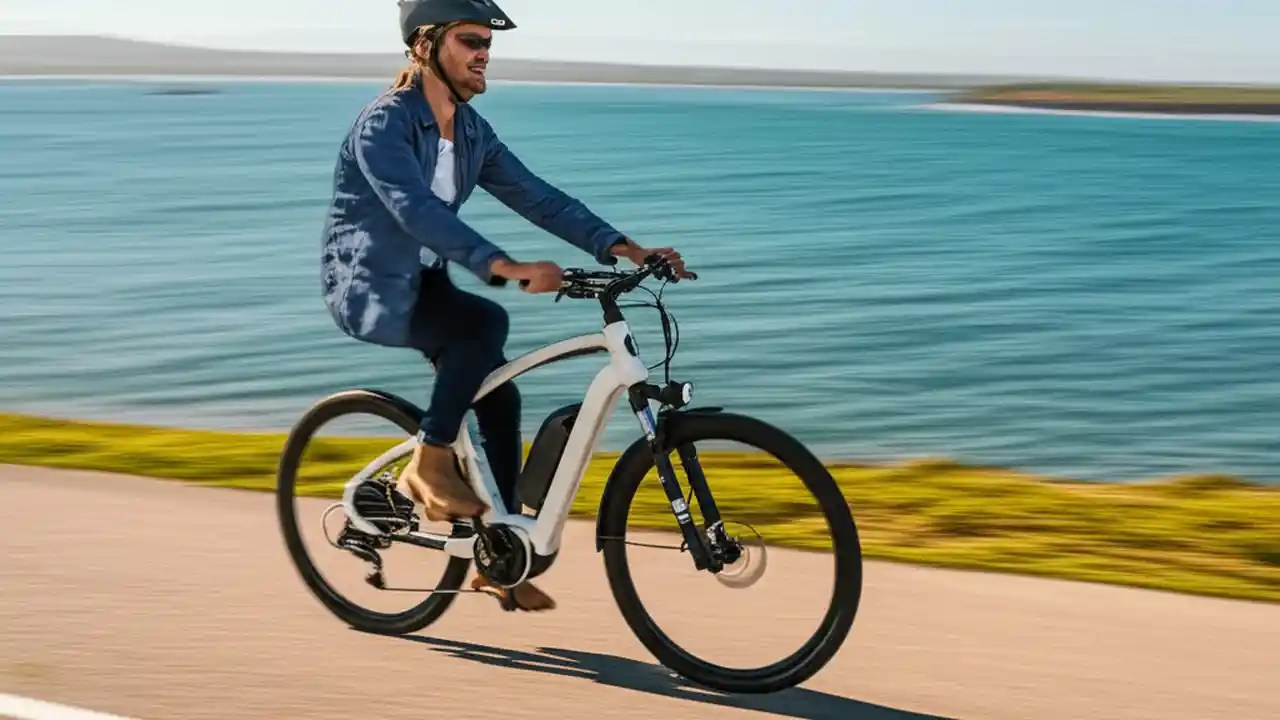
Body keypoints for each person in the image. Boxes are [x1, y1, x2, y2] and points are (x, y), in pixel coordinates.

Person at [319, 0, 690, 611]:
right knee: (483, 322)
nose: (483, 53)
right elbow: (414, 210)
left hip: (425, 283)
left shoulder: (470, 132)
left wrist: (624, 247)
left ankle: (495, 555)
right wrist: (503, 266)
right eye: (470, 40)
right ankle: (427, 462)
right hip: (368, 282)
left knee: (500, 392)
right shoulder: (385, 125)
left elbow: (537, 197)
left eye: (488, 43)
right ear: (424, 45)